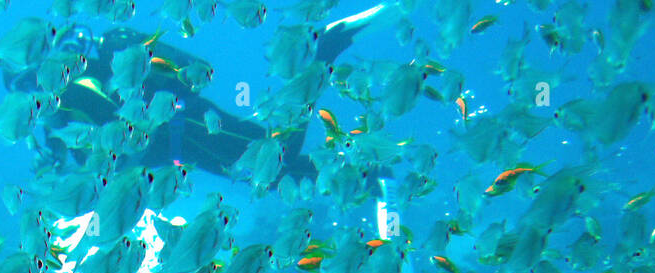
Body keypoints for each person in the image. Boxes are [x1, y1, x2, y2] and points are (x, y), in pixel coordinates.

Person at [22, 5, 394, 185]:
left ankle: (326, 49)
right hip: (183, 146)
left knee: (274, 158)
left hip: (192, 127)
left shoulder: (74, 91)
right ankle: (367, 176)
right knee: (270, 176)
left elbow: (113, 128)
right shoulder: (63, 107)